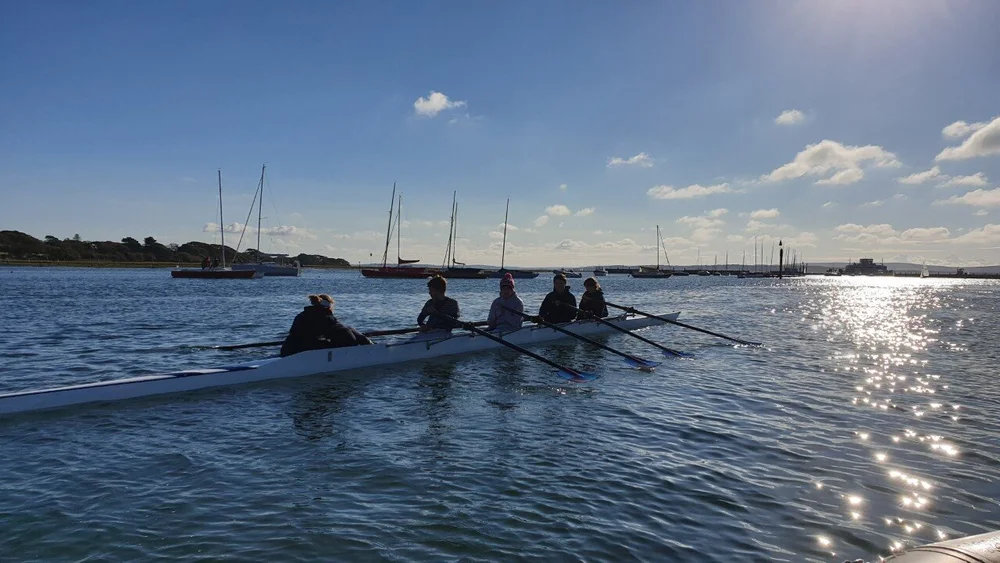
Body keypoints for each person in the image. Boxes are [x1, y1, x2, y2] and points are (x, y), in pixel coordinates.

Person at [280, 294, 373, 357]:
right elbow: (345, 331)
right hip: (302, 350)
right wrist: (367, 343)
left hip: (286, 349)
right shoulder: (326, 316)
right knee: (347, 332)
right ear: (328, 306)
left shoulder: (301, 314)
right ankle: (370, 345)